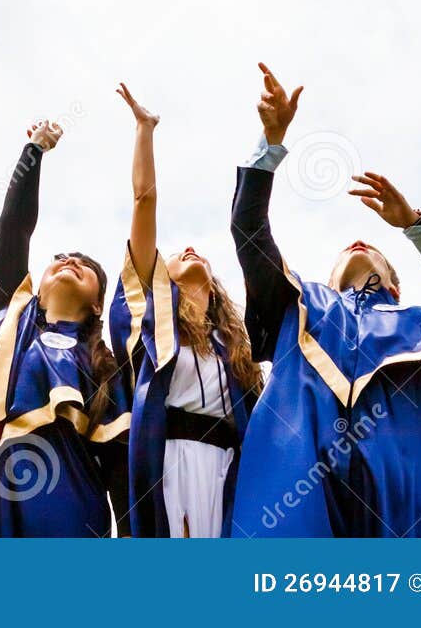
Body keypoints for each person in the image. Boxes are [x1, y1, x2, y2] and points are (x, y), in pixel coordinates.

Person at [228, 64, 421, 538]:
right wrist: (270, 144)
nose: (357, 242)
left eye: (376, 252)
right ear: (326, 280)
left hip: (403, 469)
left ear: (395, 285)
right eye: (344, 253)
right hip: (296, 463)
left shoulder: (419, 326)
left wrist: (416, 226)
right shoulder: (299, 304)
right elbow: (248, 230)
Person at [107, 83, 263, 538]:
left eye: (200, 255)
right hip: (169, 459)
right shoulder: (153, 318)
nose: (190, 250)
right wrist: (144, 129)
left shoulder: (234, 349)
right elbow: (144, 200)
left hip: (229, 468)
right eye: (176, 255)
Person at [0, 120, 127, 537]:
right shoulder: (0, 317)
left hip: (66, 493)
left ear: (96, 303)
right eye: (62, 257)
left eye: (86, 267)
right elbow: (13, 231)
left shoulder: (101, 362)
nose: (71, 261)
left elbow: (120, 458)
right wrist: (33, 153)